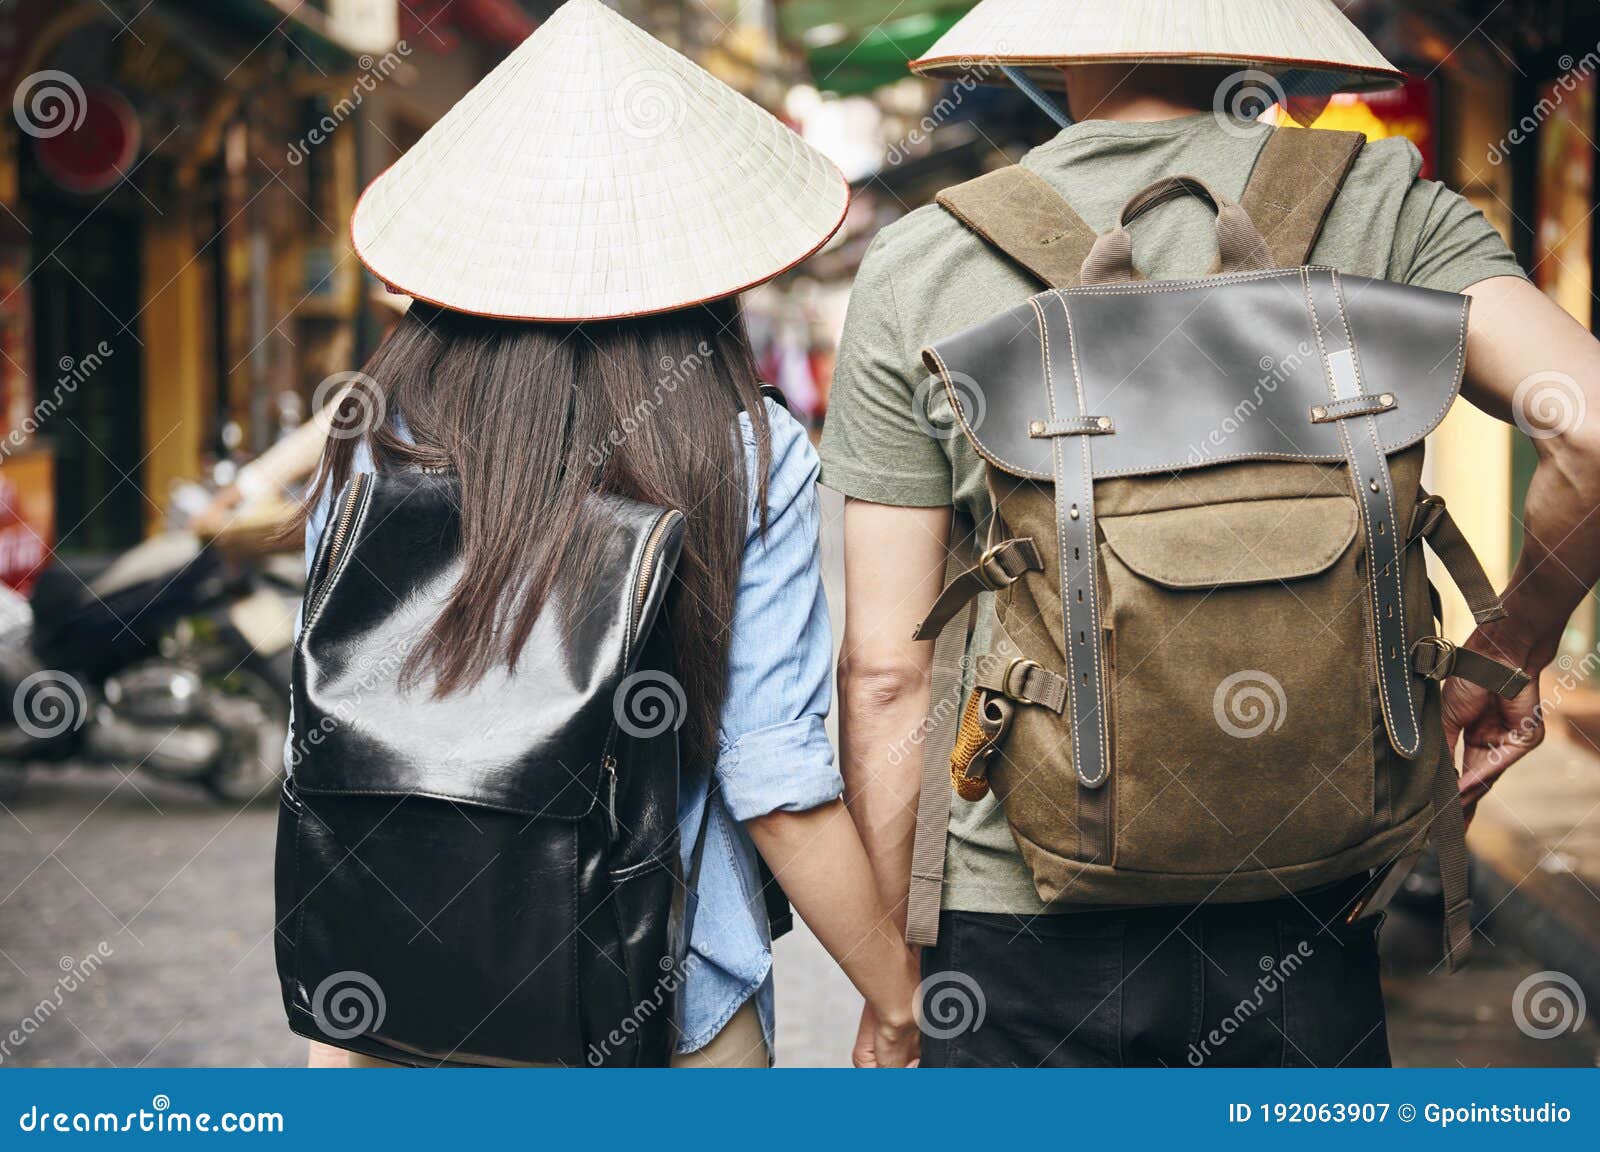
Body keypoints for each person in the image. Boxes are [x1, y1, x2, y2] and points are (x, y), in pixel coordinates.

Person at [821, 0, 1600, 1067]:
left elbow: (884, 677)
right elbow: (1588, 428)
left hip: (1018, 918)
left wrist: (892, 978)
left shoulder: (924, 261)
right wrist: (1514, 646)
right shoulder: (1385, 205)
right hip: (1312, 892)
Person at [294, 0, 919, 1068]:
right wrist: (895, 994)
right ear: (703, 248)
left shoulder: (375, 434)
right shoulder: (743, 446)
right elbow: (770, 778)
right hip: (662, 996)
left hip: (390, 995)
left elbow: (327, 705)